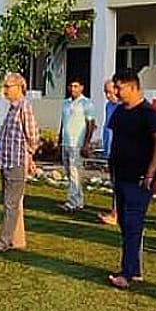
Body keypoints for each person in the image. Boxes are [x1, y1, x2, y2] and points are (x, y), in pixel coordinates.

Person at [106, 71, 156, 289]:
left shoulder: (149, 113)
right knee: (125, 223)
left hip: (140, 179)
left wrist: (150, 172)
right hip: (120, 176)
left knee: (133, 223)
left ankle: (127, 273)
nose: (116, 92)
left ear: (133, 88)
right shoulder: (120, 112)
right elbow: (116, 140)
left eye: (120, 88)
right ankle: (135, 268)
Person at [0, 73, 39, 253]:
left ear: (19, 87)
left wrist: (29, 154)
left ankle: (4, 241)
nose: (5, 91)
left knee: (11, 204)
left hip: (16, 163)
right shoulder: (13, 108)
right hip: (7, 162)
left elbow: (33, 135)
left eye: (8, 87)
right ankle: (17, 240)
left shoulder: (24, 107)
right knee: (13, 203)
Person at [58, 78, 96, 213]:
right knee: (69, 173)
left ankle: (71, 202)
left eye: (75, 86)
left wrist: (86, 143)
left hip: (77, 143)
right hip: (66, 141)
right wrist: (59, 141)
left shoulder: (86, 104)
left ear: (81, 88)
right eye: (71, 86)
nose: (73, 89)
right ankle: (78, 200)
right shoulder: (65, 103)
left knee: (74, 172)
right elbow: (63, 123)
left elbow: (91, 124)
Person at [97, 79, 120, 226]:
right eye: (106, 92)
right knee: (114, 183)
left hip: (120, 150)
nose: (108, 95)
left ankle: (116, 214)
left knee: (119, 184)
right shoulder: (108, 106)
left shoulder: (123, 107)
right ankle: (115, 211)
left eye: (111, 92)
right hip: (110, 150)